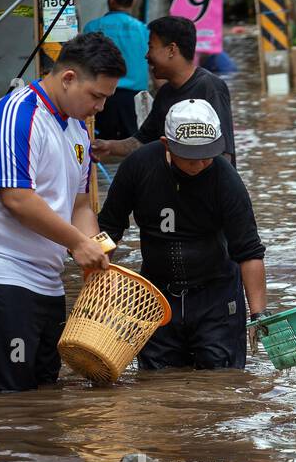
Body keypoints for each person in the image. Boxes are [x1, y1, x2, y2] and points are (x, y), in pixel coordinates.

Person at [0, 33, 125, 392]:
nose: (101, 108)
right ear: (68, 78)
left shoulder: (77, 129)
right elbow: (17, 198)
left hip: (45, 279)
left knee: (44, 391)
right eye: (97, 96)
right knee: (12, 392)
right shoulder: (17, 113)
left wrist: (95, 249)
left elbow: (78, 204)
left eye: (106, 98)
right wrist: (78, 244)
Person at [96, 100, 266, 369]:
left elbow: (248, 251)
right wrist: (98, 294)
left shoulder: (225, 178)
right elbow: (108, 230)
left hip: (216, 296)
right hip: (155, 296)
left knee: (222, 384)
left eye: (207, 155)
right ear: (166, 144)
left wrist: (258, 314)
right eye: (190, 157)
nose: (199, 164)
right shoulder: (139, 166)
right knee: (158, 386)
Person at [92, 16, 237, 167]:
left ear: (171, 50)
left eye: (151, 47)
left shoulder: (210, 86)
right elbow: (142, 141)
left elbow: (224, 153)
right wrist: (108, 146)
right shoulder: (165, 93)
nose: (146, 55)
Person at [82, 0, 149, 141]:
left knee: (102, 146)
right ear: (134, 1)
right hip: (134, 98)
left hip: (101, 97)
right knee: (134, 145)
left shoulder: (92, 27)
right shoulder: (144, 30)